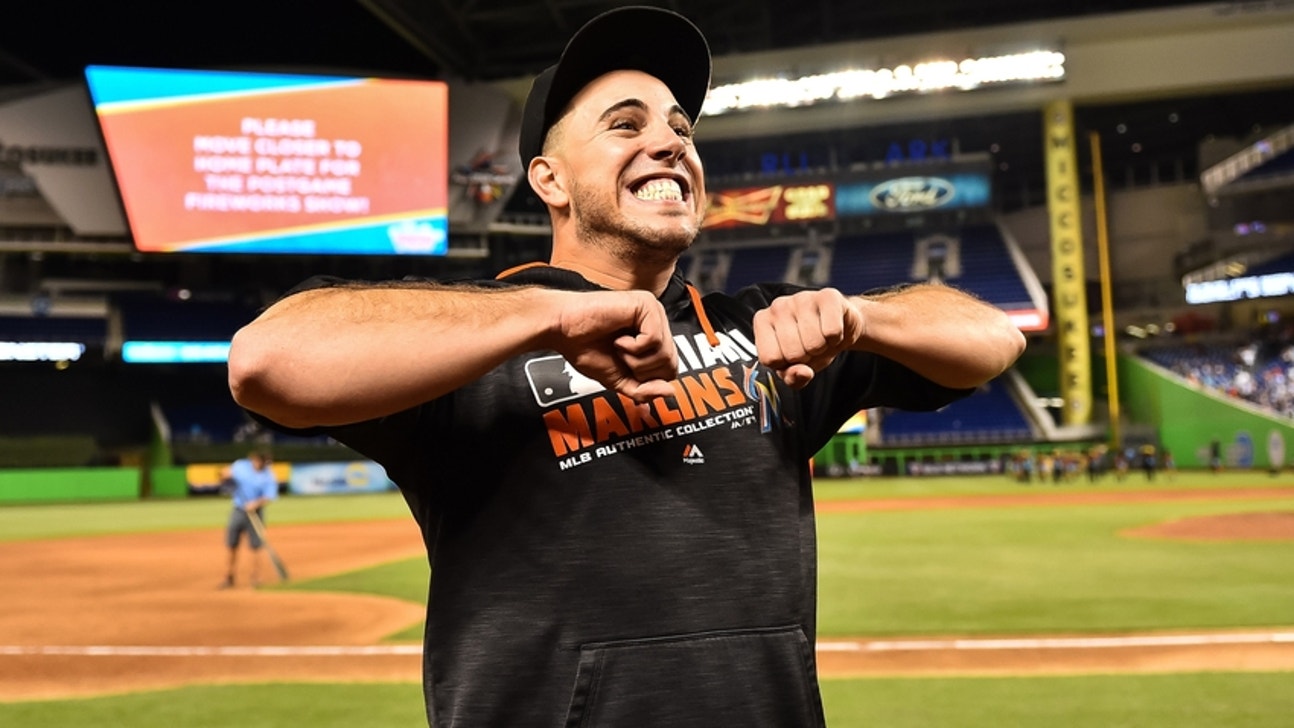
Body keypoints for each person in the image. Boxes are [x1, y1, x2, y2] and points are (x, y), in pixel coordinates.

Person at [227, 7, 1026, 726]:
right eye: (624, 124)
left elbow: (992, 338)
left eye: (681, 126)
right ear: (550, 180)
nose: (670, 142)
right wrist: (551, 315)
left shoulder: (769, 331)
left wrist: (864, 317)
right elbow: (265, 361)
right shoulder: (470, 338)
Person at [219, 448, 278, 589]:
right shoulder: (240, 466)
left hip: (256, 513)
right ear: (254, 458)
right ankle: (229, 577)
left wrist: (255, 503)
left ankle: (256, 578)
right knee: (232, 544)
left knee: (256, 546)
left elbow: (269, 496)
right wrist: (225, 475)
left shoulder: (268, 475)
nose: (260, 464)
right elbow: (224, 473)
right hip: (239, 510)